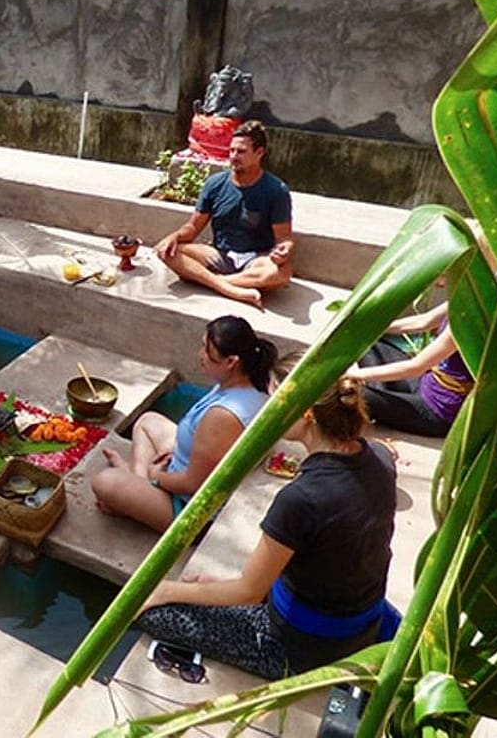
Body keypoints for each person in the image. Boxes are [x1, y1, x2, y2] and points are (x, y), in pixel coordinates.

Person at [137, 377, 398, 680]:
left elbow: (248, 592)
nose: (267, 409)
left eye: (277, 400)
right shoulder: (379, 458)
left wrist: (166, 590)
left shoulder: (301, 498)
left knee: (153, 612)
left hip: (303, 647)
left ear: (308, 415)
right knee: (203, 587)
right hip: (361, 620)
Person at [91, 316, 277, 532]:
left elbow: (193, 484)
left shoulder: (223, 417)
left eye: (207, 351)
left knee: (104, 482)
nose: (201, 356)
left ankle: (135, 486)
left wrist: (156, 476)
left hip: (191, 508)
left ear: (231, 362)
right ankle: (136, 484)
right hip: (190, 462)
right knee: (147, 421)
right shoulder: (248, 380)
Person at [154, 120, 293, 308]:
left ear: (259, 153)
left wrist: (283, 251)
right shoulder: (215, 184)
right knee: (168, 251)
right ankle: (231, 288)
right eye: (232, 150)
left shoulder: (276, 190)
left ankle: (213, 281)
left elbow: (284, 238)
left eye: (241, 151)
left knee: (281, 274)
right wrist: (174, 236)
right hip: (220, 254)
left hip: (255, 259)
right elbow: (193, 227)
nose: (234, 156)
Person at [346, 302, 471, 437]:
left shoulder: (470, 321)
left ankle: (379, 398)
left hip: (436, 410)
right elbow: (423, 321)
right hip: (424, 381)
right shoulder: (463, 296)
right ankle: (382, 397)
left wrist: (354, 374)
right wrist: (372, 327)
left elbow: (415, 367)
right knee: (366, 341)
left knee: (350, 394)